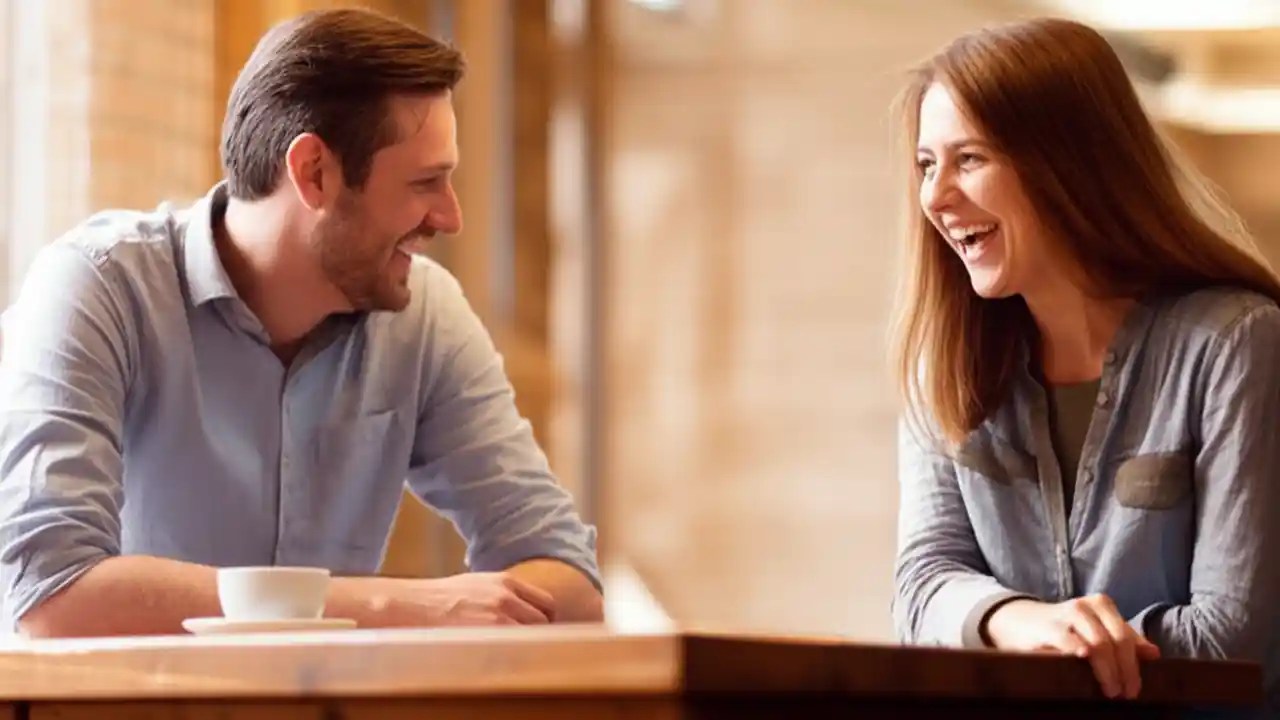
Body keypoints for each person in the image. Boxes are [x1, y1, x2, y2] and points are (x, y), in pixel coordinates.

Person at [0, 8, 601, 637]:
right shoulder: (98, 289)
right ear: (314, 173)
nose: (449, 218)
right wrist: (394, 608)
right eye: (426, 183)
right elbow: (51, 596)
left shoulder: (425, 317)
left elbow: (569, 577)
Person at [889, 17, 1280, 712]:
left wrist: (1062, 650)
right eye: (926, 165)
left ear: (1065, 163)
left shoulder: (1234, 343)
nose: (936, 198)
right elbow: (920, 590)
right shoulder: (940, 369)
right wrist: (1025, 623)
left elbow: (1233, 639)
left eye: (969, 159)